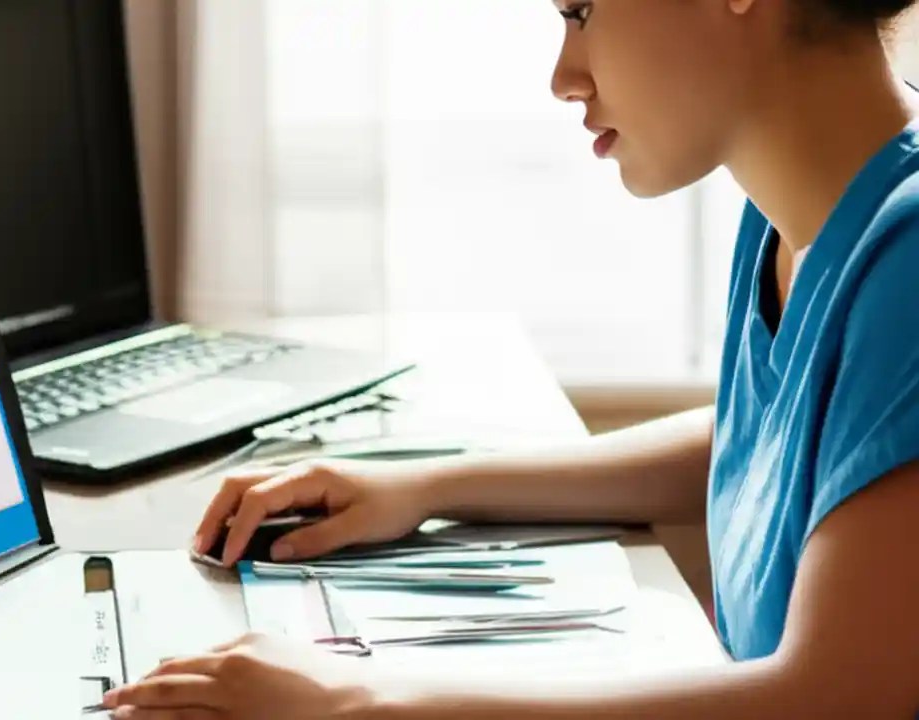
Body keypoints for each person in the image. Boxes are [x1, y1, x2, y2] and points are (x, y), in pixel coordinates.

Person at [104, 0, 919, 717]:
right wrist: (430, 485)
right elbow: (785, 443)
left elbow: (835, 699)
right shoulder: (793, 221)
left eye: (582, 12)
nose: (565, 78)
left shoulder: (907, 257)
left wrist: (356, 703)